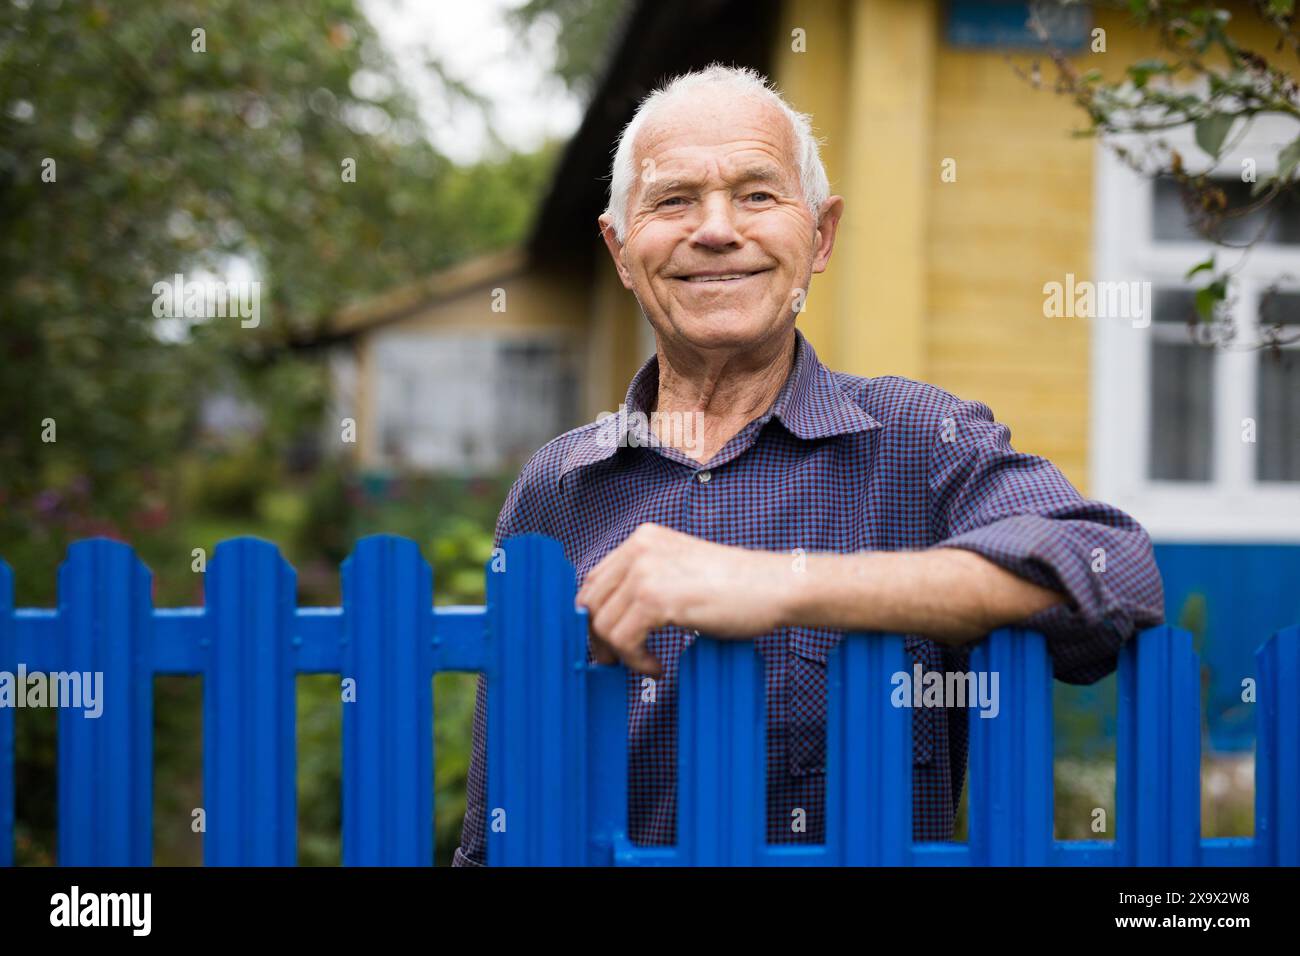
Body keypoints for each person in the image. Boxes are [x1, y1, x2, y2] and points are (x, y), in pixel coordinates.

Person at [453, 64, 1163, 866]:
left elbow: (1116, 577)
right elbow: (497, 819)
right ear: (621, 250)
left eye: (758, 194)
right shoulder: (559, 485)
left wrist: (777, 583)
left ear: (820, 236)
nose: (716, 228)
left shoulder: (918, 440)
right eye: (673, 199)